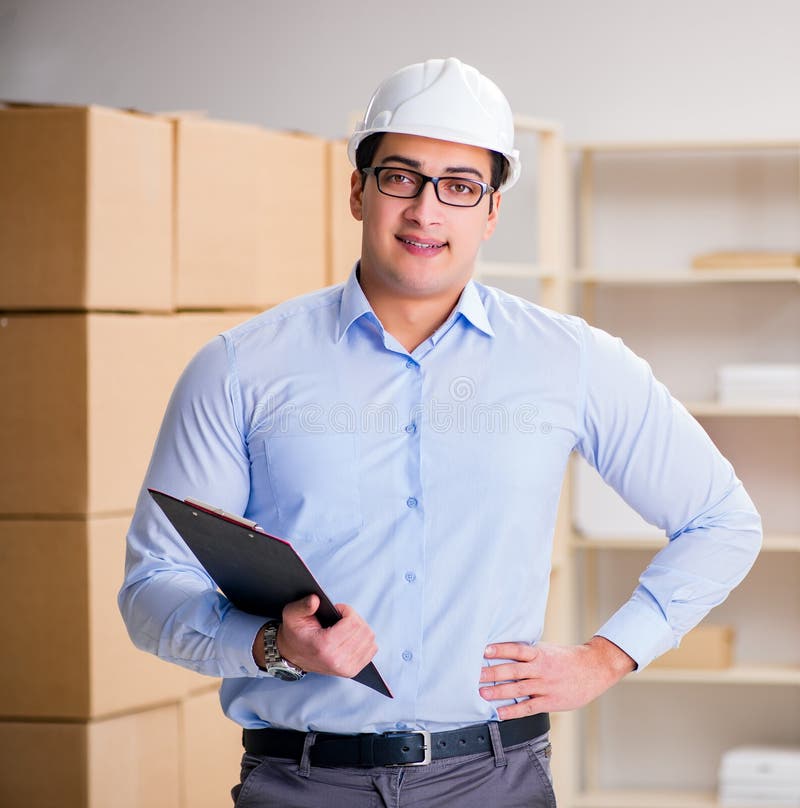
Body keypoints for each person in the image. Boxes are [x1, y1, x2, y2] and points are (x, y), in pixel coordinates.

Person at [118, 57, 762, 807]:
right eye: (401, 177)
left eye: (459, 187)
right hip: (302, 783)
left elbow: (722, 522)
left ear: (490, 212)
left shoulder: (571, 360)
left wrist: (609, 657)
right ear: (357, 190)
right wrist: (272, 645)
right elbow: (152, 590)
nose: (426, 211)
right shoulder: (237, 369)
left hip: (495, 779)